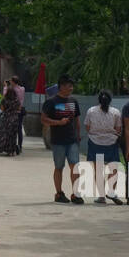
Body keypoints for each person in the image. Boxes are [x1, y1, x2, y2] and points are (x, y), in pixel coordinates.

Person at [42, 74, 82, 203]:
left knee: (75, 166)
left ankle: (75, 194)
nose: (71, 88)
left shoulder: (73, 101)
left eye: (71, 86)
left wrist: (78, 134)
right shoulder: (51, 102)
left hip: (72, 140)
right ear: (61, 87)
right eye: (68, 86)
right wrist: (58, 122)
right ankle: (59, 193)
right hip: (58, 140)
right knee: (59, 167)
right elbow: (43, 119)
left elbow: (77, 119)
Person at [84, 90, 123, 205]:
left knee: (98, 170)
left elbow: (87, 127)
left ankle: (101, 196)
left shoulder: (91, 111)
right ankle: (111, 191)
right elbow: (118, 129)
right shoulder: (116, 112)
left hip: (95, 143)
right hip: (111, 143)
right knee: (114, 169)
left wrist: (97, 134)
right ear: (110, 100)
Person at [0, 85, 21, 156]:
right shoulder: (17, 100)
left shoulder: (4, 100)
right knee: (13, 135)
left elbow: (2, 109)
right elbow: (19, 109)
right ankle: (11, 151)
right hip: (14, 119)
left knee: (4, 134)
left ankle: (1, 147)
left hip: (6, 119)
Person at [11, 75, 26, 153]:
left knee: (13, 128)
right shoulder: (22, 89)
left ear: (13, 82)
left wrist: (6, 87)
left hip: (15, 110)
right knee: (19, 128)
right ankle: (20, 145)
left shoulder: (13, 89)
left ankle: (13, 144)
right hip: (21, 109)